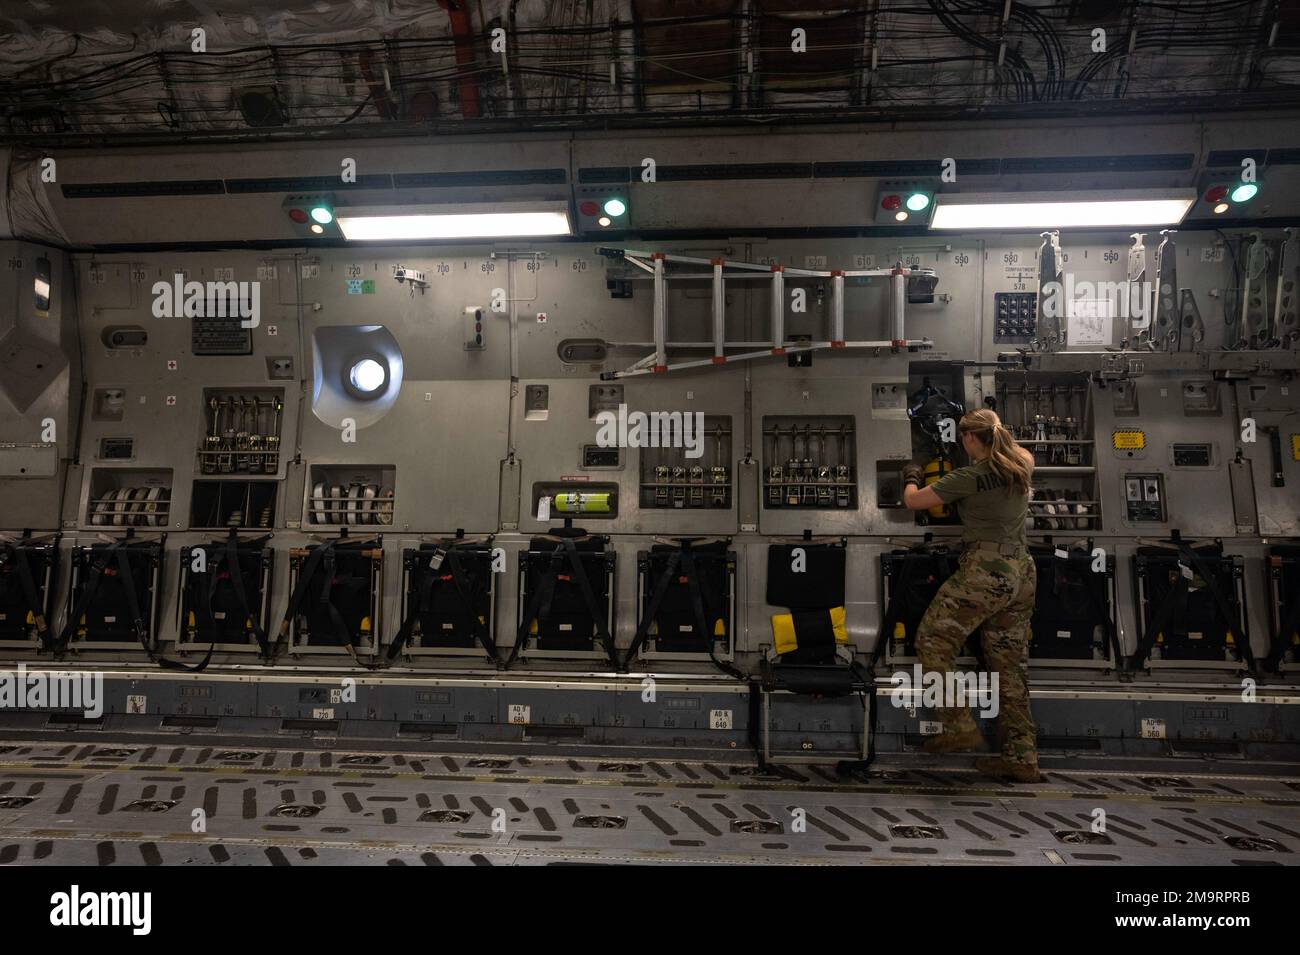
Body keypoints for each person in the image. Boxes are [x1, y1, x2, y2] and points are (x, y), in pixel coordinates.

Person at [900, 408, 1040, 783]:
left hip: (986, 571)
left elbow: (915, 502)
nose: (963, 442)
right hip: (1022, 572)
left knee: (932, 640)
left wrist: (912, 477)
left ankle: (958, 724)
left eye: (966, 437)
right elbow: (1019, 453)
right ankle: (1022, 757)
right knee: (1009, 667)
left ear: (970, 439)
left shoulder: (969, 476)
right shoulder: (1021, 463)